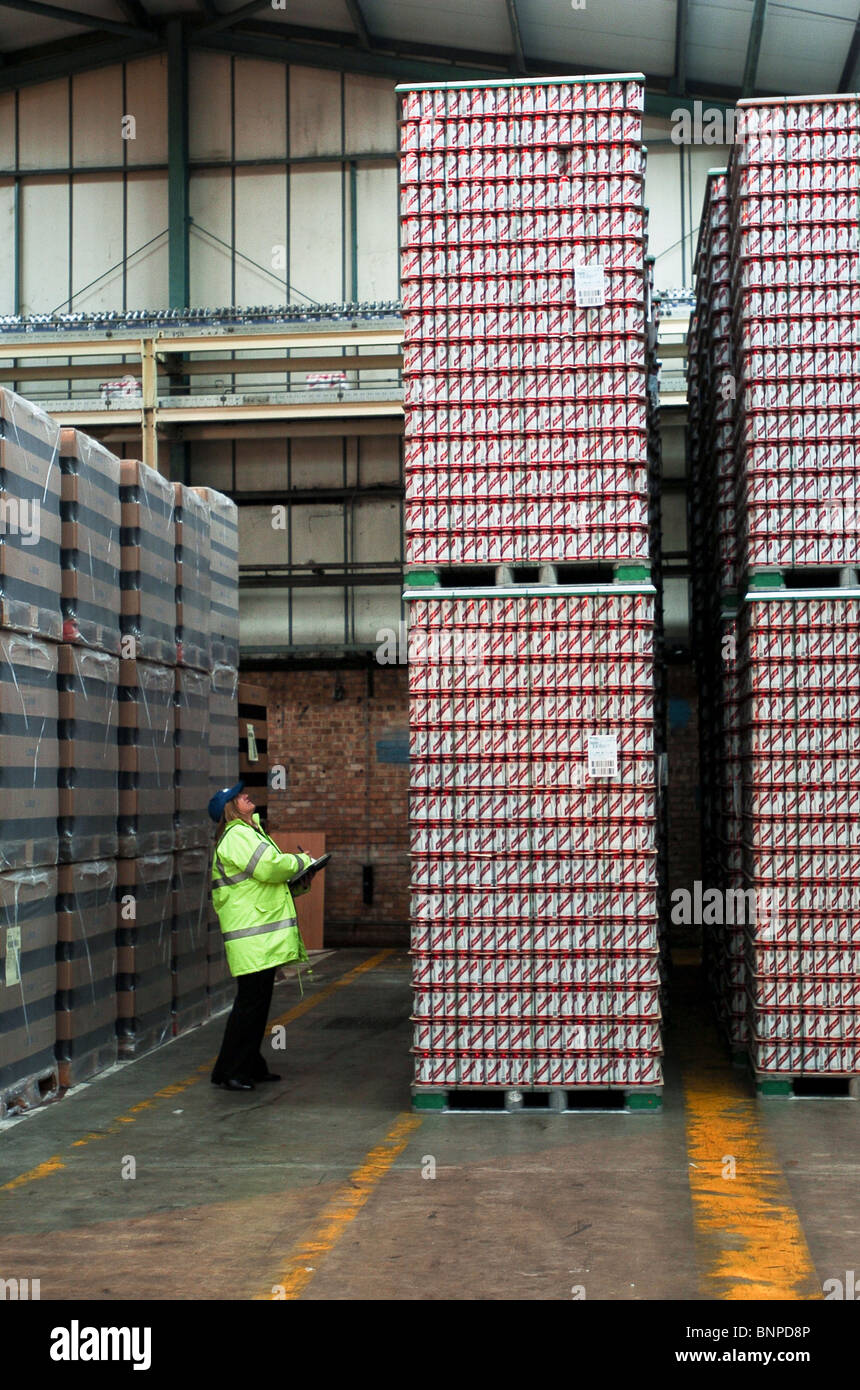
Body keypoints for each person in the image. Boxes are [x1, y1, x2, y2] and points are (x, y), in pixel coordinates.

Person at [208, 781, 314, 1092]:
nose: (246, 796)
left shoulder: (250, 832)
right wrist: (302, 861)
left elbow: (265, 883)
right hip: (252, 939)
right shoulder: (237, 835)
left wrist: (299, 877)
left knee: (256, 1005)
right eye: (239, 796)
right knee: (249, 1006)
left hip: (259, 938)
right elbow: (268, 869)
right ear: (231, 809)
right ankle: (231, 1071)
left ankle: (248, 1065)